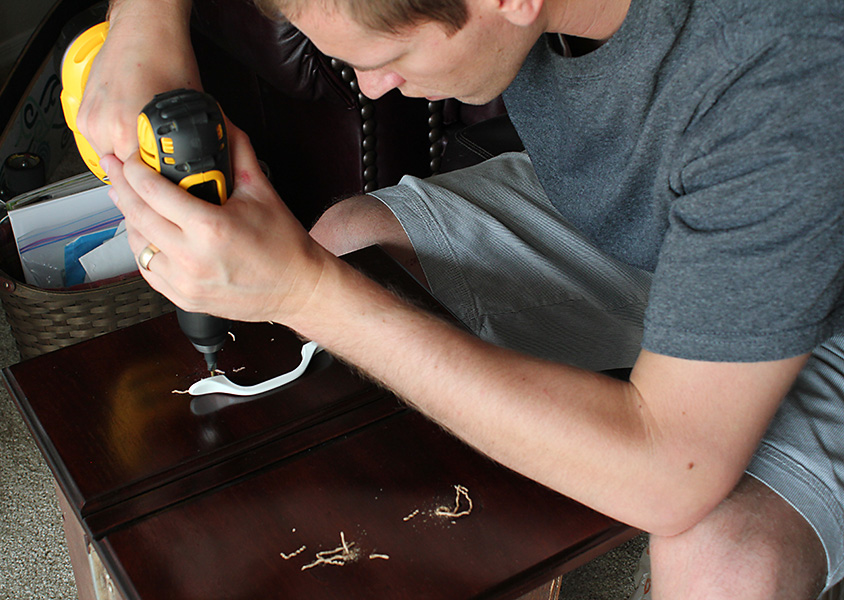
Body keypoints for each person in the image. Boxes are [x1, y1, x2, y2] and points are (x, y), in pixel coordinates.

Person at [83, 0, 844, 597]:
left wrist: (308, 294)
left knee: (726, 570)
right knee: (355, 244)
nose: (373, 85)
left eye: (387, 60)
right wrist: (143, 24)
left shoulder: (786, 74)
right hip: (659, 208)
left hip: (822, 280)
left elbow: (668, 472)